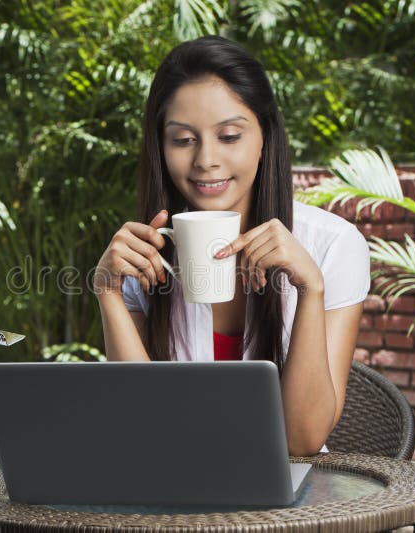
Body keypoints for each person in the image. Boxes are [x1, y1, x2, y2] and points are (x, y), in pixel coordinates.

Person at [92, 36, 370, 456]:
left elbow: (303, 439)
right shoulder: (144, 252)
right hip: (176, 490)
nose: (206, 159)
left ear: (264, 138)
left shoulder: (333, 244)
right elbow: (144, 424)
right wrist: (108, 292)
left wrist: (310, 288)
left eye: (229, 135)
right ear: (160, 147)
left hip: (291, 505)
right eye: (183, 140)